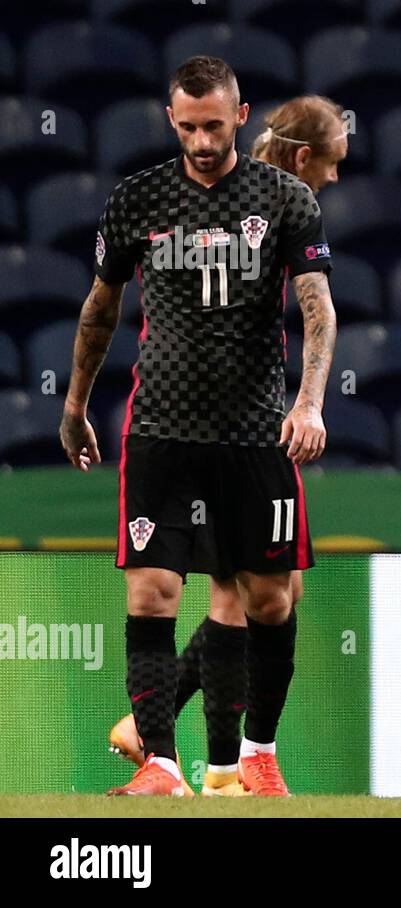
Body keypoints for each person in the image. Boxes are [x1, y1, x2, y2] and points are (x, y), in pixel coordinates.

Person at [61, 57, 338, 796]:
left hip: (254, 434)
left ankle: (257, 754)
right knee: (151, 592)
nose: (202, 140)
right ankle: (158, 764)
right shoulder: (138, 198)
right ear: (170, 120)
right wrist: (75, 402)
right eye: (187, 127)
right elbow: (101, 306)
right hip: (161, 429)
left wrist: (308, 401)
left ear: (241, 116)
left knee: (269, 600)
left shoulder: (283, 198)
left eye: (214, 125)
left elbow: (317, 307)